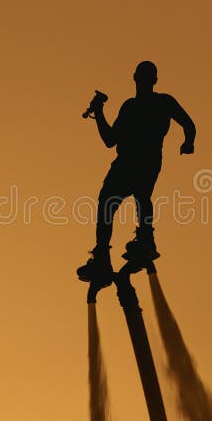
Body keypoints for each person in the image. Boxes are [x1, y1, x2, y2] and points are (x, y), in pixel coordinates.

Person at [77, 61, 196, 285]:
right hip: (142, 162)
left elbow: (109, 140)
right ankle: (140, 241)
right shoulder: (146, 105)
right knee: (135, 198)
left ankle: (111, 254)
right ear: (154, 80)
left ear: (135, 78)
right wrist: (188, 142)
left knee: (112, 203)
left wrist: (189, 141)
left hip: (132, 162)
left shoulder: (142, 105)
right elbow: (111, 140)